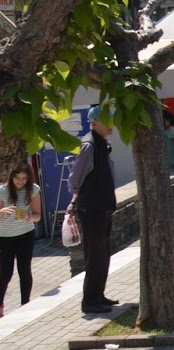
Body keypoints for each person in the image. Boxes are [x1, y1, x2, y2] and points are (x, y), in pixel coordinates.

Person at [65, 106, 118, 315]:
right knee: (94, 255)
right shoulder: (89, 145)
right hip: (92, 206)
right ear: (94, 122)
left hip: (103, 204)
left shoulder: (103, 143)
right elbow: (76, 177)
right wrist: (74, 199)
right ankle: (89, 300)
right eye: (107, 121)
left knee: (104, 253)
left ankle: (99, 294)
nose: (111, 125)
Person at [0, 165, 43, 316]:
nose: (20, 181)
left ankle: (25, 302)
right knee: (5, 272)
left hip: (25, 234)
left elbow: (38, 215)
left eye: (24, 178)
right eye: (17, 178)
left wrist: (29, 216)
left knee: (24, 269)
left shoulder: (33, 189)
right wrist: (2, 212)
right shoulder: (2, 191)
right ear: (11, 177)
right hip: (4, 236)